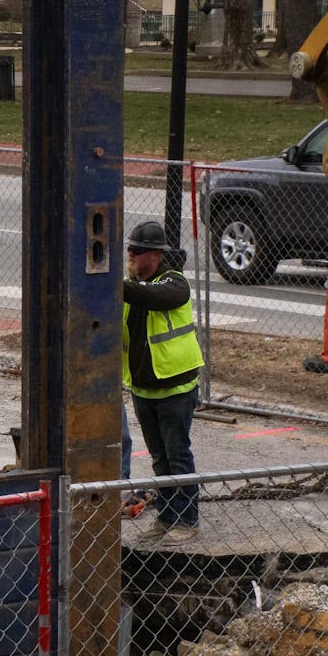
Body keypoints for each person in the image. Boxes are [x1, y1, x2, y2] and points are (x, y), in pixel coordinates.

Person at [122, 219, 204, 540]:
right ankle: (167, 517)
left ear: (155, 255)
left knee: (178, 456)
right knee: (159, 460)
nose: (130, 254)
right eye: (129, 249)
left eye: (137, 251)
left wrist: (107, 282)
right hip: (144, 388)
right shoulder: (133, 286)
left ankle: (187, 520)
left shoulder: (174, 283)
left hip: (175, 388)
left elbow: (153, 296)